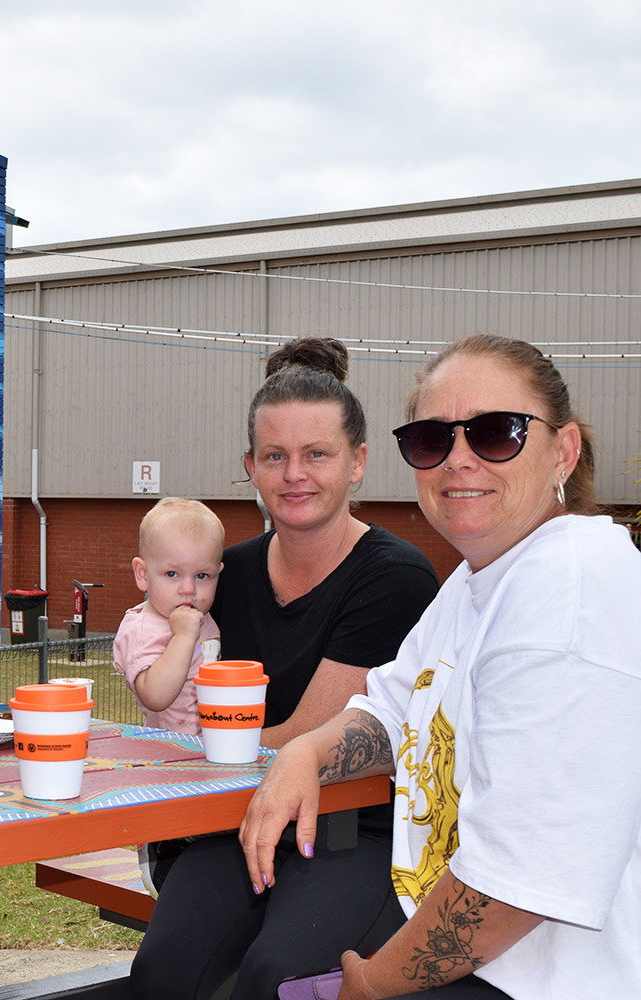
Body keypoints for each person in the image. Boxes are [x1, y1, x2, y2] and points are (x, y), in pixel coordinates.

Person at [240, 334, 641, 1000]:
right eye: (432, 439)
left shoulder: (571, 589)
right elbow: (394, 708)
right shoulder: (479, 579)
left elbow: (516, 882)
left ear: (562, 451)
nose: (458, 459)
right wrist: (306, 753)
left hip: (546, 979)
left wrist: (370, 985)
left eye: (495, 432)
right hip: (465, 938)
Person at [131, 338, 441, 1000]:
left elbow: (311, 739)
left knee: (280, 977)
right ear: (251, 466)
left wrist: (178, 754)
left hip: (359, 829)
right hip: (235, 814)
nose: (294, 474)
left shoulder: (394, 579)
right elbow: (159, 674)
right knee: (166, 968)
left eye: (317, 455)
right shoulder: (226, 574)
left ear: (357, 463)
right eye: (275, 456)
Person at [113, 497, 225, 735]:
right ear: (142, 575)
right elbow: (155, 696)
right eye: (172, 573)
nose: (189, 589)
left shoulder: (200, 614)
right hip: (171, 751)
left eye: (202, 576)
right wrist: (183, 637)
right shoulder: (143, 628)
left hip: (211, 746)